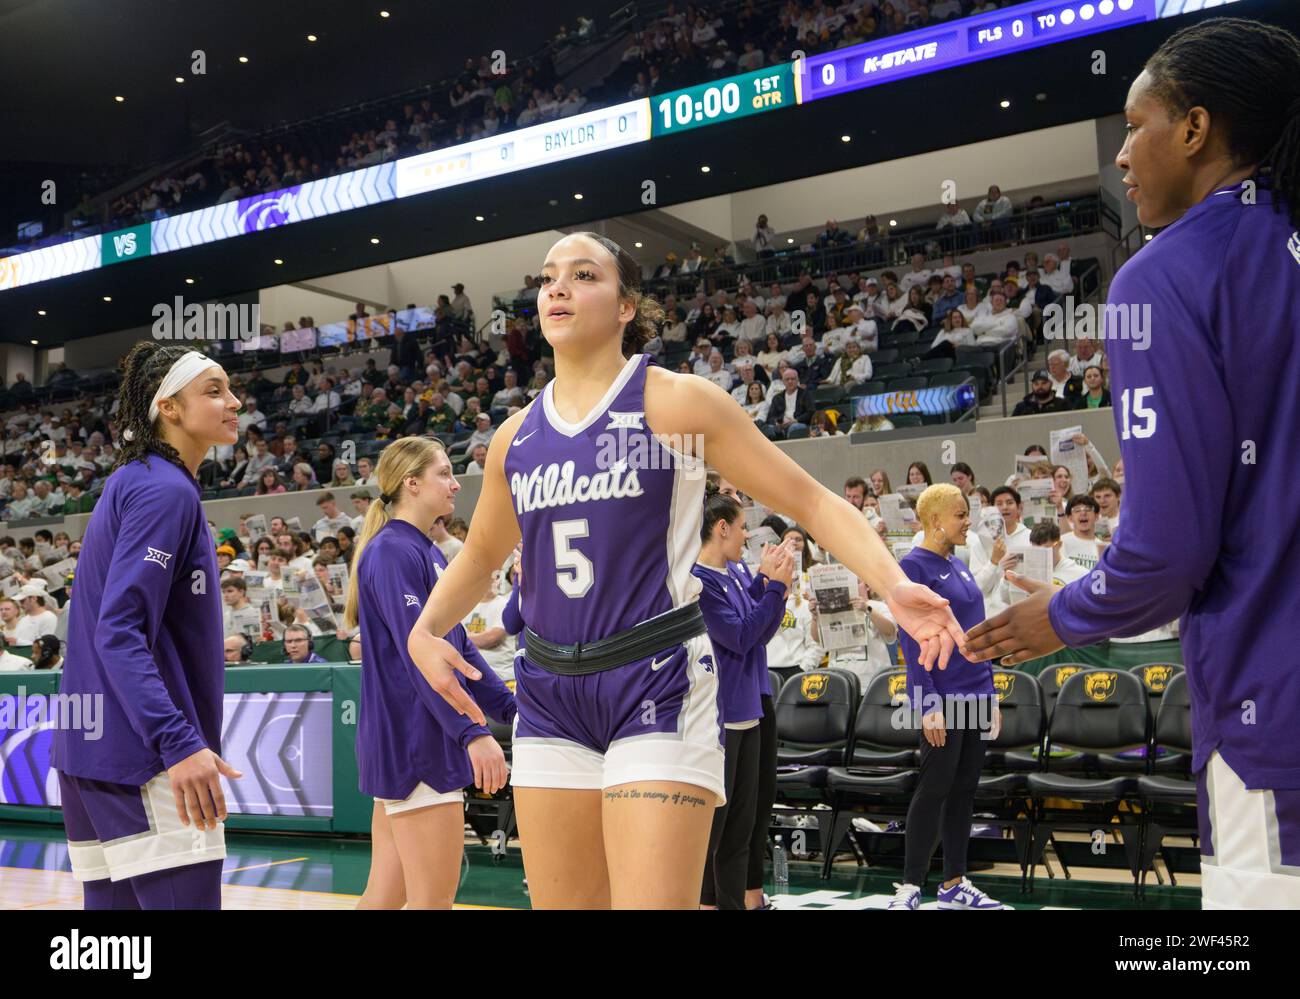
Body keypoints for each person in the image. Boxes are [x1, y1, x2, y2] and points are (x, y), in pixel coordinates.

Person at [406, 232, 967, 909]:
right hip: (549, 691)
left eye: (583, 274)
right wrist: (425, 629)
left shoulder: (674, 402)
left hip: (657, 680)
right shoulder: (513, 437)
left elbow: (811, 499)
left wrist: (895, 582)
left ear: (625, 307)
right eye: (548, 276)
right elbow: (480, 555)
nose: (556, 287)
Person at [964, 17, 1300, 910]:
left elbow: (1163, 556)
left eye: (1134, 124)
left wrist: (1061, 617)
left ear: (1194, 130)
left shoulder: (1161, 277)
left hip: (1276, 706)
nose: (1119, 155)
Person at [50, 343, 242, 910]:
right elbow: (119, 629)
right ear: (169, 408)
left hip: (90, 750)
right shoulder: (165, 490)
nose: (234, 402)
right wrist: (178, 741)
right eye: (214, 391)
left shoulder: (134, 481)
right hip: (145, 757)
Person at [344, 436, 514, 909]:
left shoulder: (426, 552)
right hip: (418, 741)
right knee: (432, 901)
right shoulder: (394, 552)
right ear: (411, 483)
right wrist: (471, 732)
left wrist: (509, 709)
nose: (456, 484)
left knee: (386, 894)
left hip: (406, 739)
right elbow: (422, 658)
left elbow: (458, 647)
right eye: (444, 473)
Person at [889, 484, 1005, 910]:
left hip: (975, 694)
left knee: (964, 791)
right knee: (933, 788)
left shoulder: (959, 565)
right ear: (935, 519)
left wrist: (991, 695)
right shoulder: (912, 568)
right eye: (960, 514)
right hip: (943, 696)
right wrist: (927, 704)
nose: (967, 520)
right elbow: (910, 643)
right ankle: (909, 887)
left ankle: (954, 883)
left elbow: (975, 634)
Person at [692, 490, 794, 909]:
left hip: (749, 708)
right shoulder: (700, 583)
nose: (746, 534)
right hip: (722, 717)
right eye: (741, 526)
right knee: (713, 834)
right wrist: (773, 590)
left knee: (740, 831)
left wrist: (772, 587)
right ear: (721, 529)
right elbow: (740, 636)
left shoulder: (732, 574)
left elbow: (758, 632)